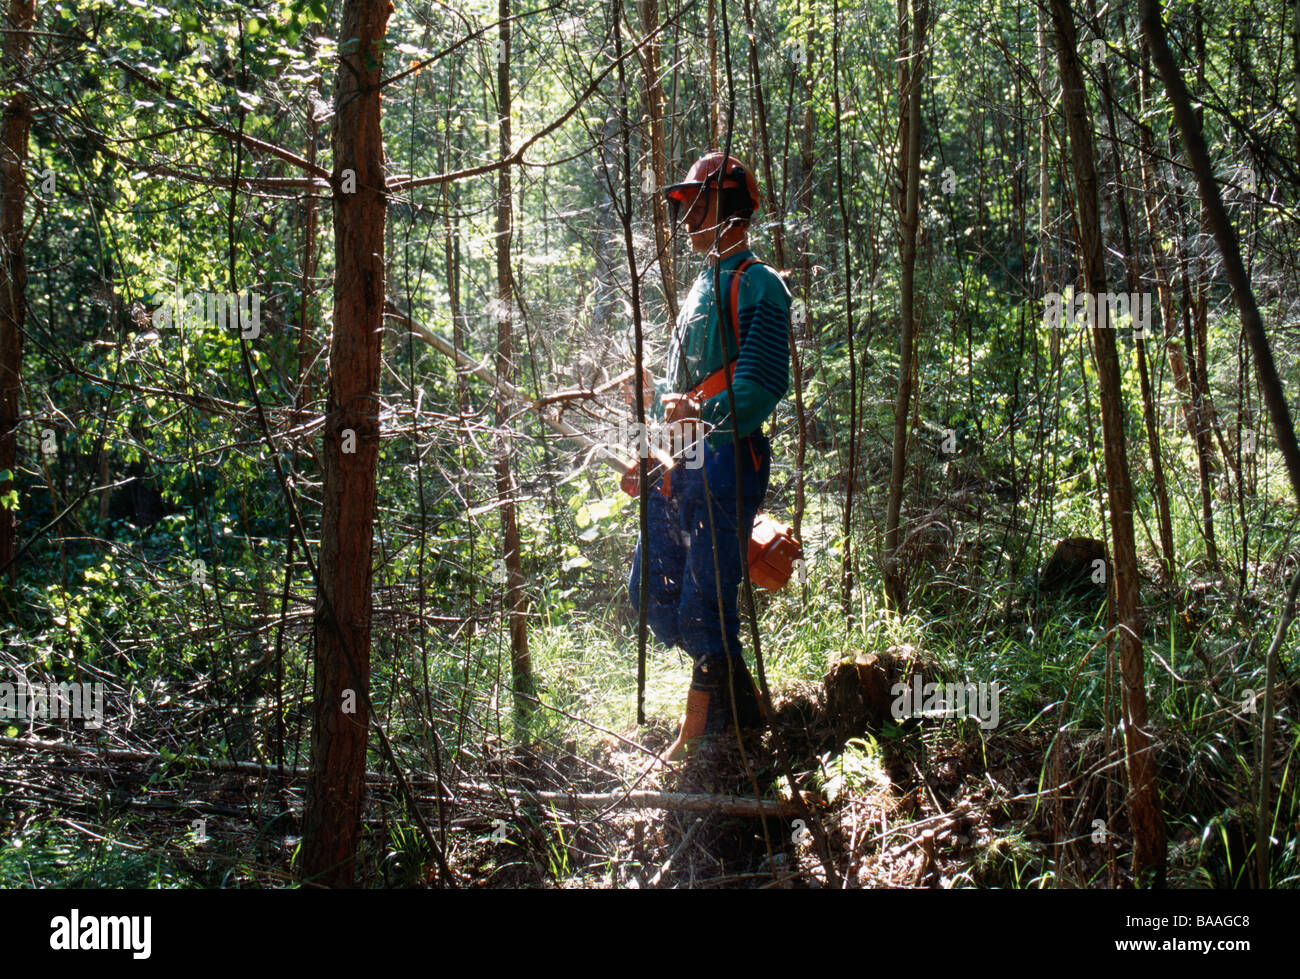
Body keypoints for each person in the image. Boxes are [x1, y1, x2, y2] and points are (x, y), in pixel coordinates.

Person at [624, 152, 791, 761]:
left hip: (728, 460)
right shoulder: (699, 287)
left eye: (700, 202)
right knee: (651, 592)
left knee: (703, 605)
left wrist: (706, 419)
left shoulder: (760, 283)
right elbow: (676, 398)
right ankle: (745, 705)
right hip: (683, 466)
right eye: (686, 204)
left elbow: (762, 383)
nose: (689, 214)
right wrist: (649, 454)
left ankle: (715, 746)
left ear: (731, 207)